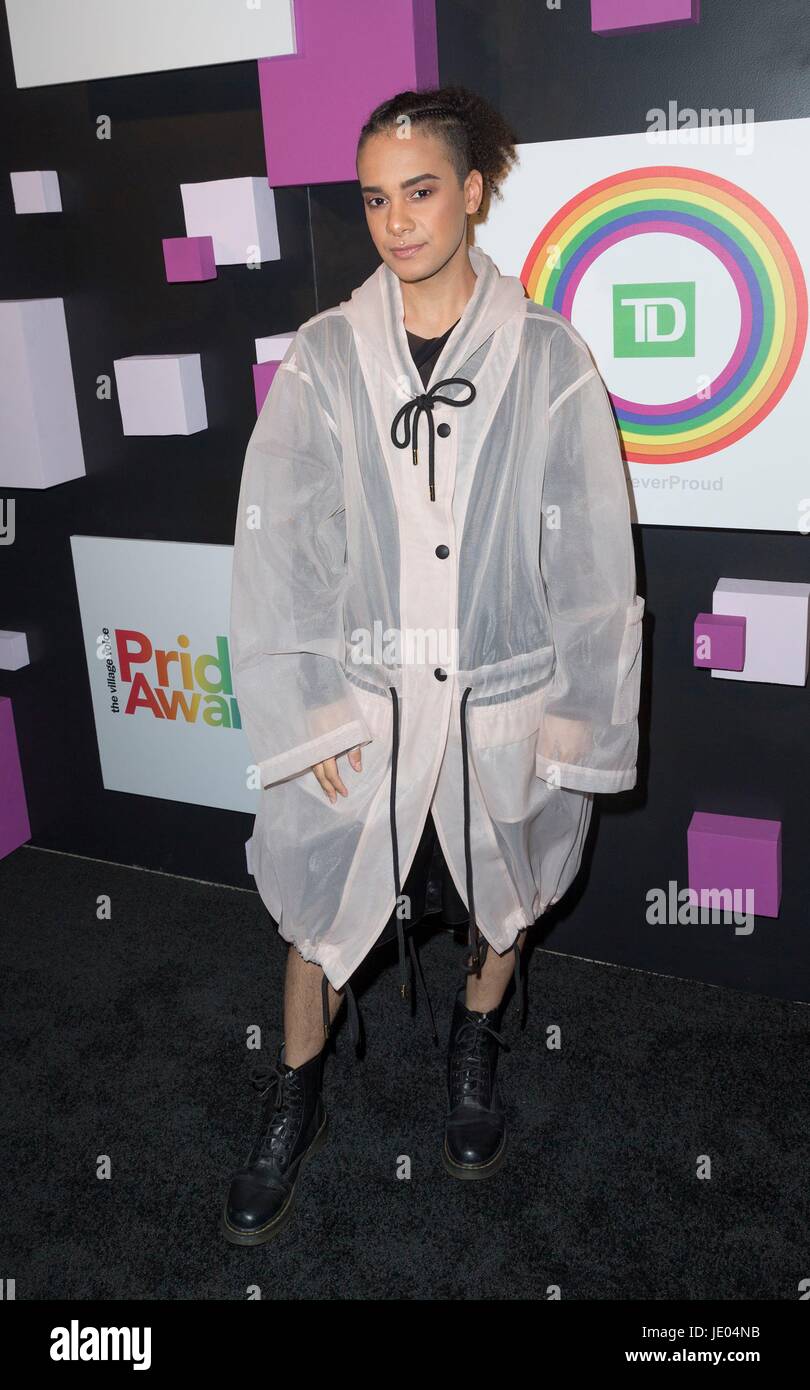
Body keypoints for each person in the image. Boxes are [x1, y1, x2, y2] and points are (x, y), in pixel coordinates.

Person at [222, 85, 644, 1244]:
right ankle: (296, 1089)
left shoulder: (550, 357)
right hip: (363, 699)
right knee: (313, 905)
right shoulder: (320, 357)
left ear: (471, 192)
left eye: (419, 191)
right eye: (373, 198)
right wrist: (308, 712)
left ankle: (477, 1035)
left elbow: (595, 558)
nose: (396, 221)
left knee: (502, 886)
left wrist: (576, 719)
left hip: (502, 692)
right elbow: (281, 548)